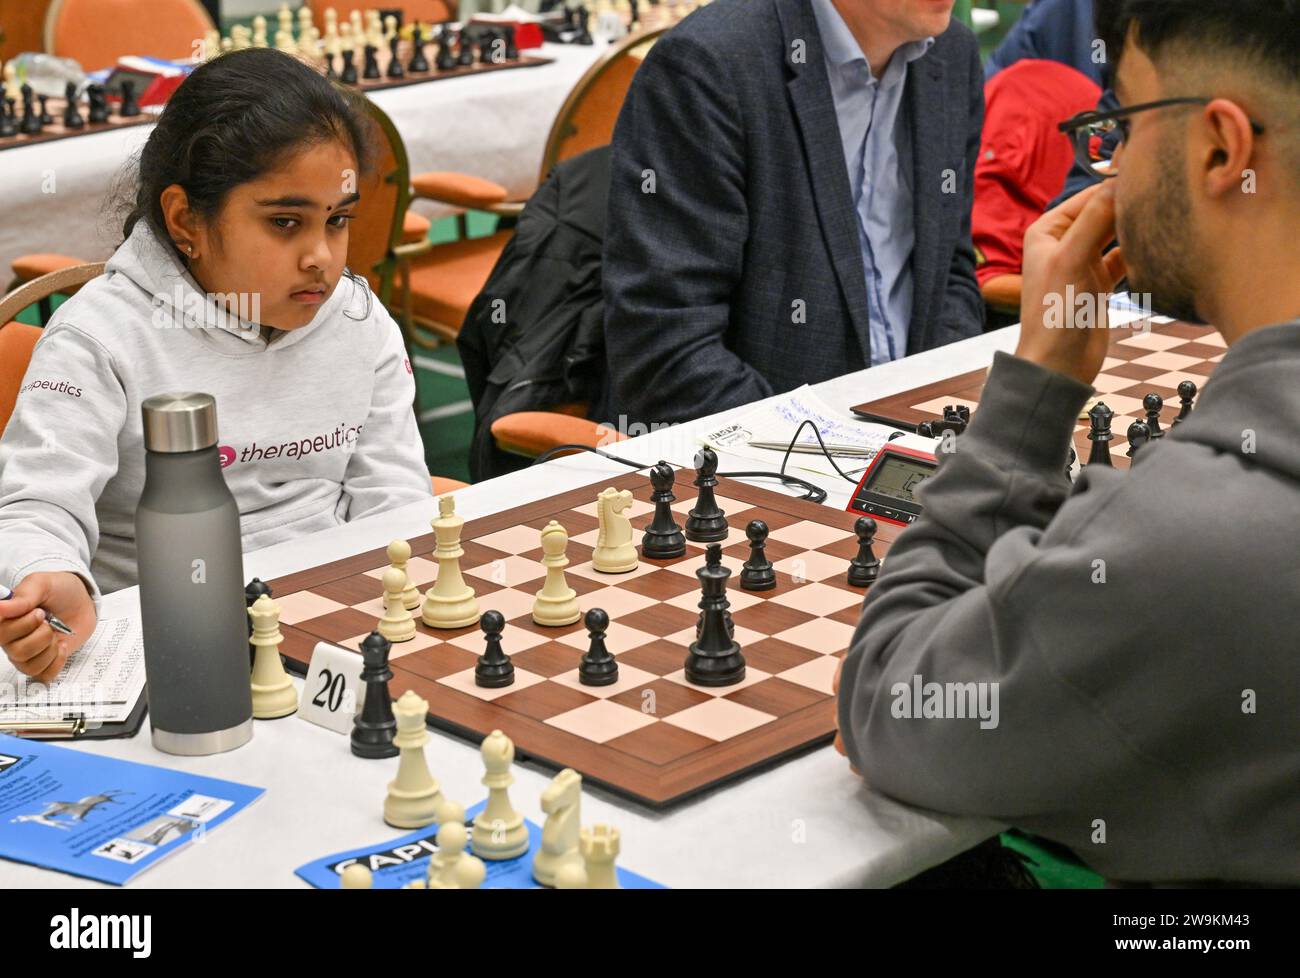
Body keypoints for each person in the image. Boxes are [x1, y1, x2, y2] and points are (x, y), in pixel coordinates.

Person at [837, 0, 1300, 885]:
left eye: (1122, 123)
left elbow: (890, 697)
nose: (1108, 165)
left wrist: (1035, 386)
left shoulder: (1187, 541)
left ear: (1220, 149)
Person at [0, 49, 432, 684]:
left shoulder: (359, 319)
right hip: (164, 642)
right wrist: (50, 571)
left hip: (336, 623)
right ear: (186, 220)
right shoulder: (100, 337)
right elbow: (36, 505)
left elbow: (393, 499)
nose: (321, 257)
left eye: (338, 220)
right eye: (285, 222)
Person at [599, 0, 985, 426]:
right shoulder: (709, 64)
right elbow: (666, 345)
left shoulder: (951, 53)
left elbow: (951, 276)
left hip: (911, 435)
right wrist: (828, 443)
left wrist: (939, 413)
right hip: (754, 445)